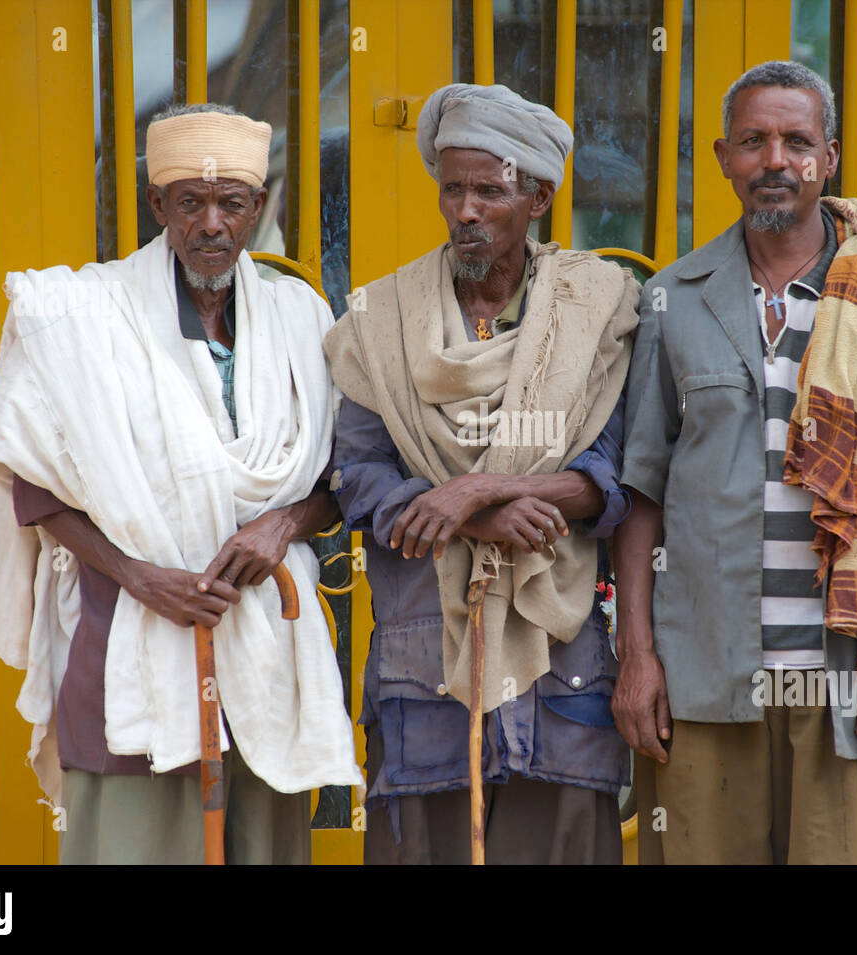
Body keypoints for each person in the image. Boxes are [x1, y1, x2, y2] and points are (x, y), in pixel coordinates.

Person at [0, 103, 361, 864]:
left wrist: (281, 525)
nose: (212, 224)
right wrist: (143, 578)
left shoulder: (301, 314)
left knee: (261, 840)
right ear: (158, 207)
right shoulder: (84, 315)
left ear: (258, 209)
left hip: (267, 631)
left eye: (231, 204)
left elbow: (342, 471)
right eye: (191, 203)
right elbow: (37, 486)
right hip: (126, 625)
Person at [613, 60, 857, 864]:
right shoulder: (675, 296)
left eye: (796, 140)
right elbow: (640, 493)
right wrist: (638, 659)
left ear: (830, 155)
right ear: (721, 157)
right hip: (705, 677)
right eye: (753, 141)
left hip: (845, 676)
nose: (775, 160)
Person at [323, 83, 638, 864]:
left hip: (558, 661)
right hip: (424, 649)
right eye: (453, 188)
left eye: (490, 191)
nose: (467, 209)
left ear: (538, 197)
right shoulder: (381, 320)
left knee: (558, 842)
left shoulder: (596, 308)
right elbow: (356, 475)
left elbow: (613, 477)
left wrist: (479, 487)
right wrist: (473, 513)